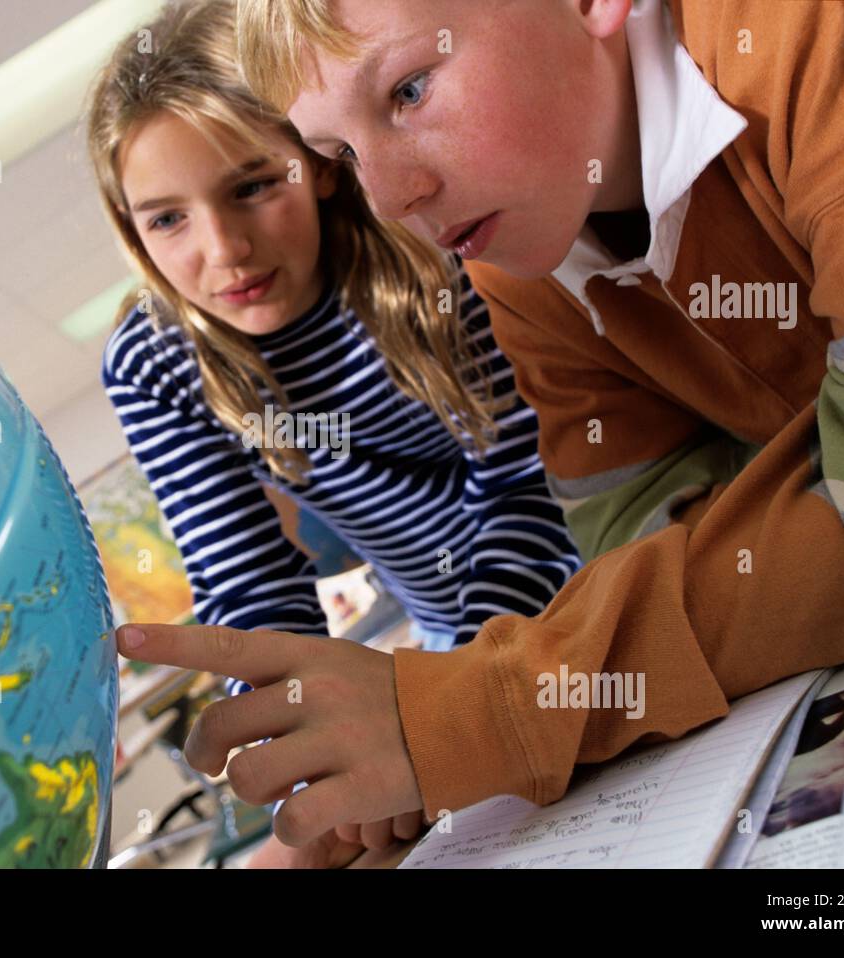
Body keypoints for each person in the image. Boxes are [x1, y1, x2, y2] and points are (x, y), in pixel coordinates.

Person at [115, 0, 844, 859]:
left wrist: (477, 709)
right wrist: (334, 760)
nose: (393, 200)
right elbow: (641, 538)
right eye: (343, 154)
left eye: (408, 89)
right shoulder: (523, 260)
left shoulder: (824, 37)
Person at [87, 0, 580, 861]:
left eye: (250, 187)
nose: (225, 251)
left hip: (571, 596)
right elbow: (250, 596)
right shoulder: (154, 361)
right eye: (167, 219)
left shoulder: (429, 236)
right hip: (434, 651)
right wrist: (316, 769)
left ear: (314, 163)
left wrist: (440, 715)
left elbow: (526, 489)